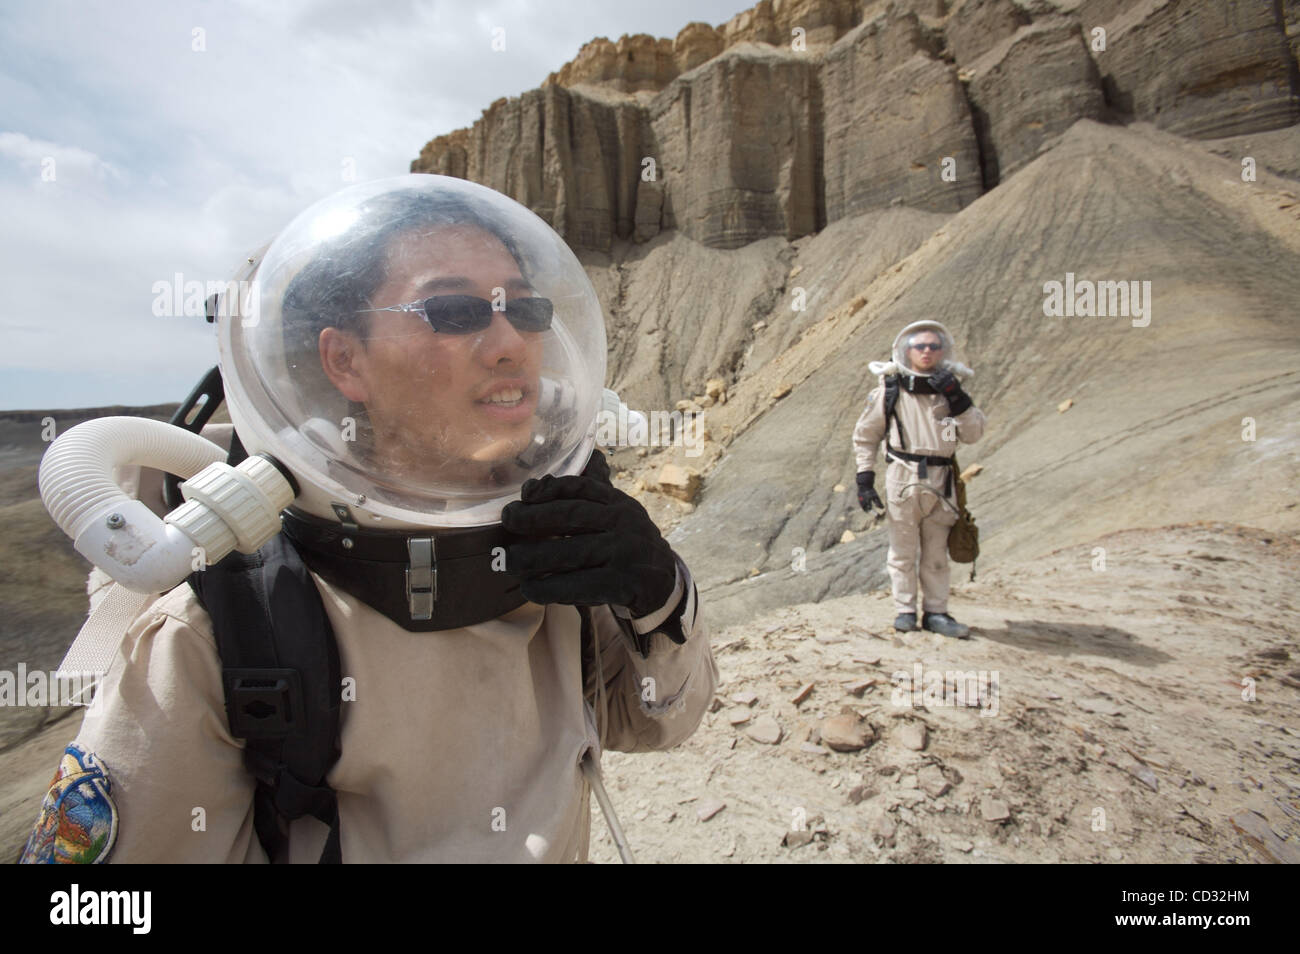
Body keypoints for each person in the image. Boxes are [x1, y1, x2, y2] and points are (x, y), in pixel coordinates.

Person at [21, 175, 717, 863]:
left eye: (527, 311)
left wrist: (659, 595)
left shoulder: (559, 547)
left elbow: (659, 721)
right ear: (345, 361)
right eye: (452, 311)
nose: (510, 343)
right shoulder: (221, 627)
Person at [852, 320, 985, 638]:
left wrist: (959, 399)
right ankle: (905, 611)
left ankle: (937, 612)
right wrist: (864, 477)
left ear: (942, 351)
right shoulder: (890, 391)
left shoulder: (951, 393)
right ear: (906, 350)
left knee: (937, 552)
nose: (927, 351)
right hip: (903, 476)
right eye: (920, 346)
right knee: (903, 549)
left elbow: (974, 434)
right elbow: (866, 436)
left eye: (933, 346)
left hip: (942, 479)